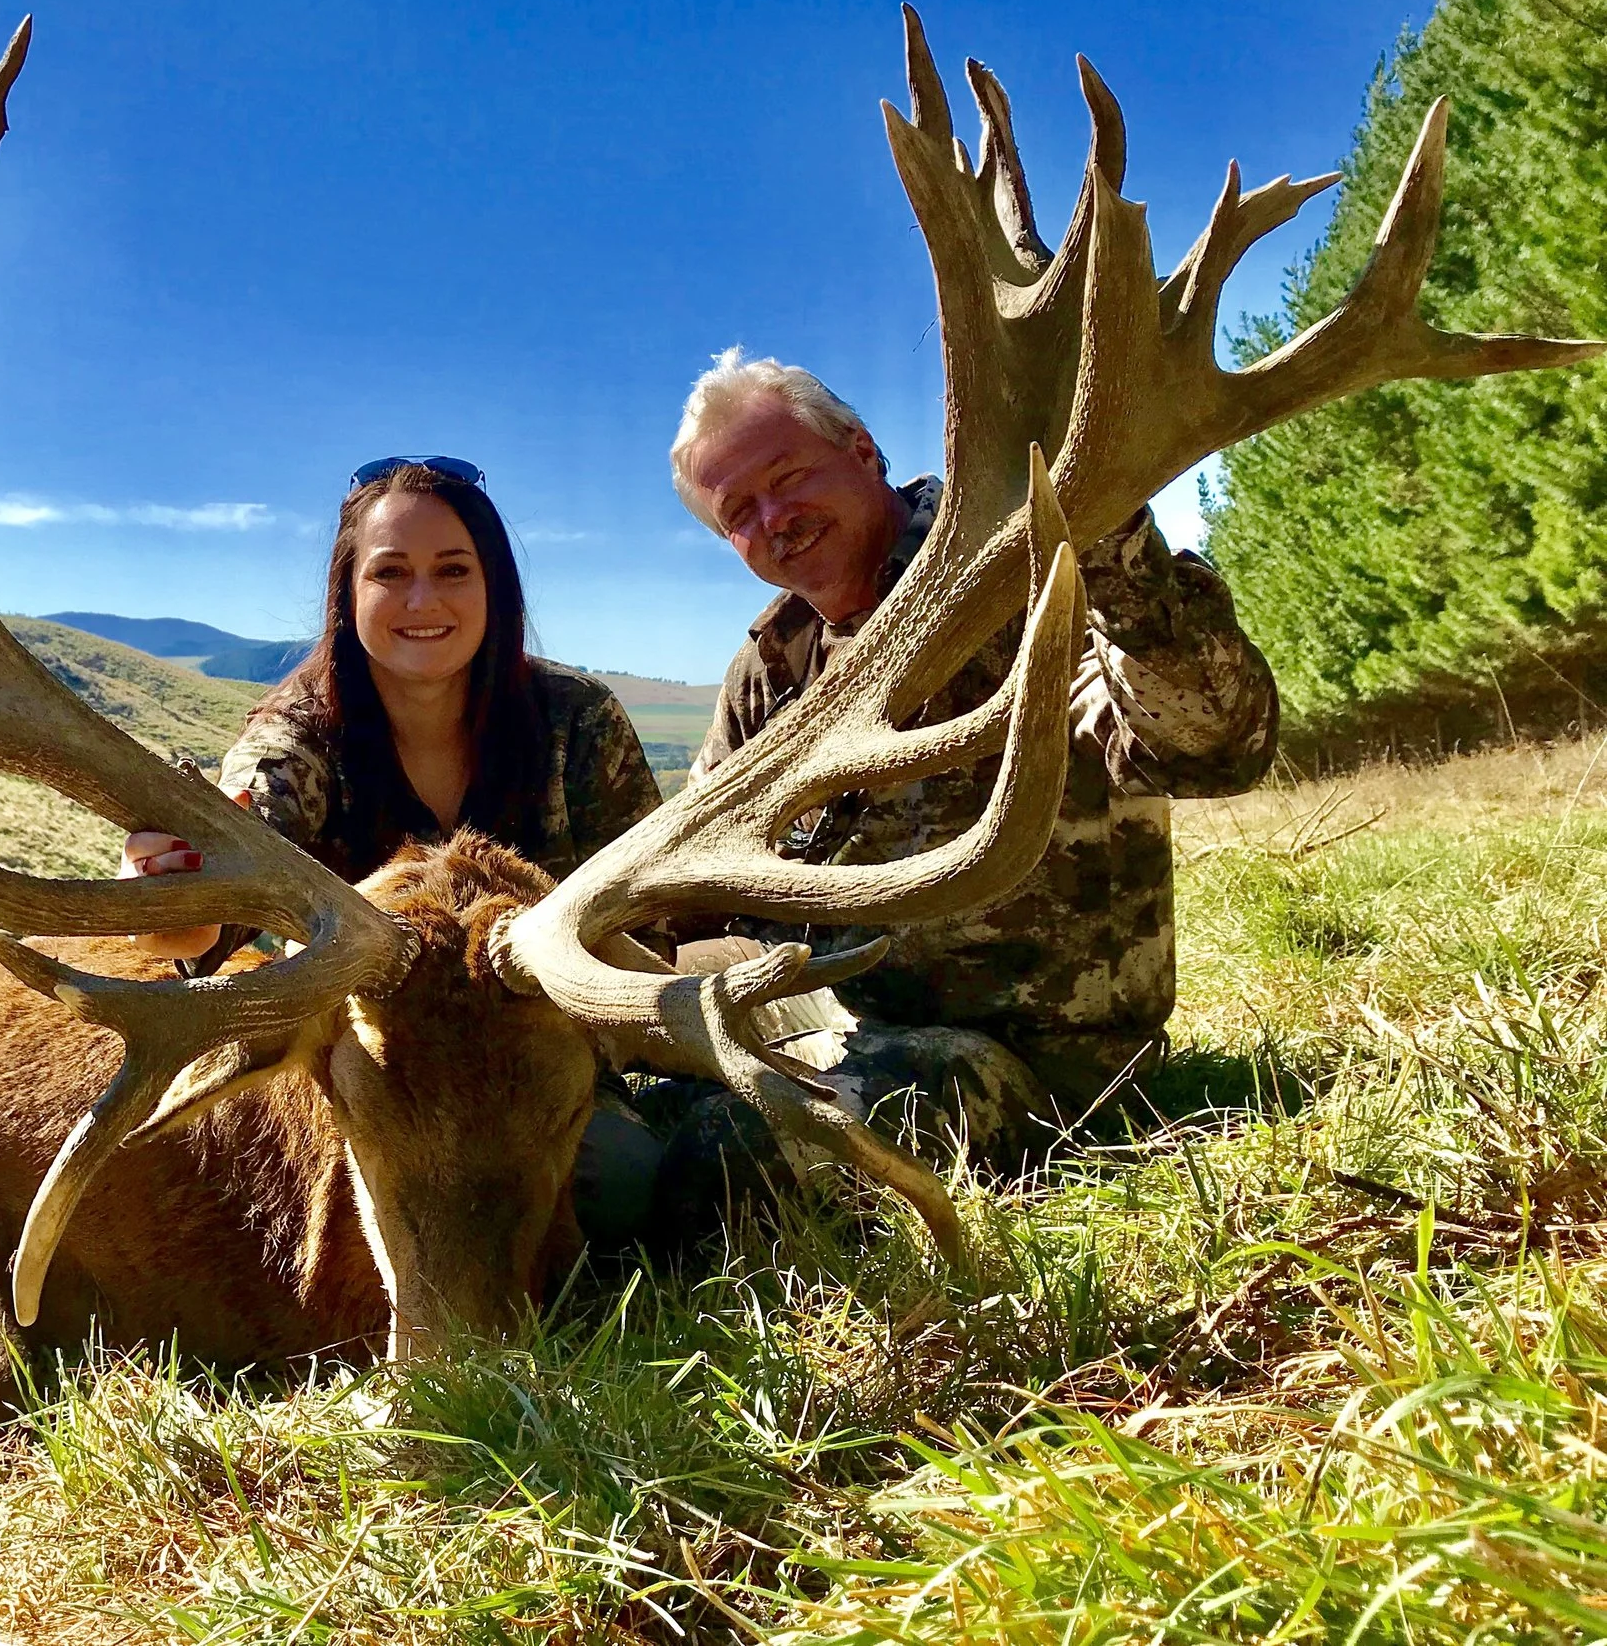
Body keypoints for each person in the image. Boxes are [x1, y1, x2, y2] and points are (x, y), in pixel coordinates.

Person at [663, 348, 1280, 1176]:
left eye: (788, 475)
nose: (774, 517)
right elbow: (696, 882)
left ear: (861, 449)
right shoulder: (773, 667)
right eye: (738, 510)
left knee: (723, 1159)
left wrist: (1103, 538)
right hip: (833, 1015)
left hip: (1044, 1065)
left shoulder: (1032, 562)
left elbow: (1214, 745)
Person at [123, 456, 667, 1240]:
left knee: (619, 1181)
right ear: (350, 592)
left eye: (453, 569)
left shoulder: (578, 721)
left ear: (494, 586)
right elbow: (230, 890)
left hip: (538, 1059)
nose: (423, 600)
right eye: (390, 573)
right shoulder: (294, 740)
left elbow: (643, 923)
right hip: (377, 1077)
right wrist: (178, 902)